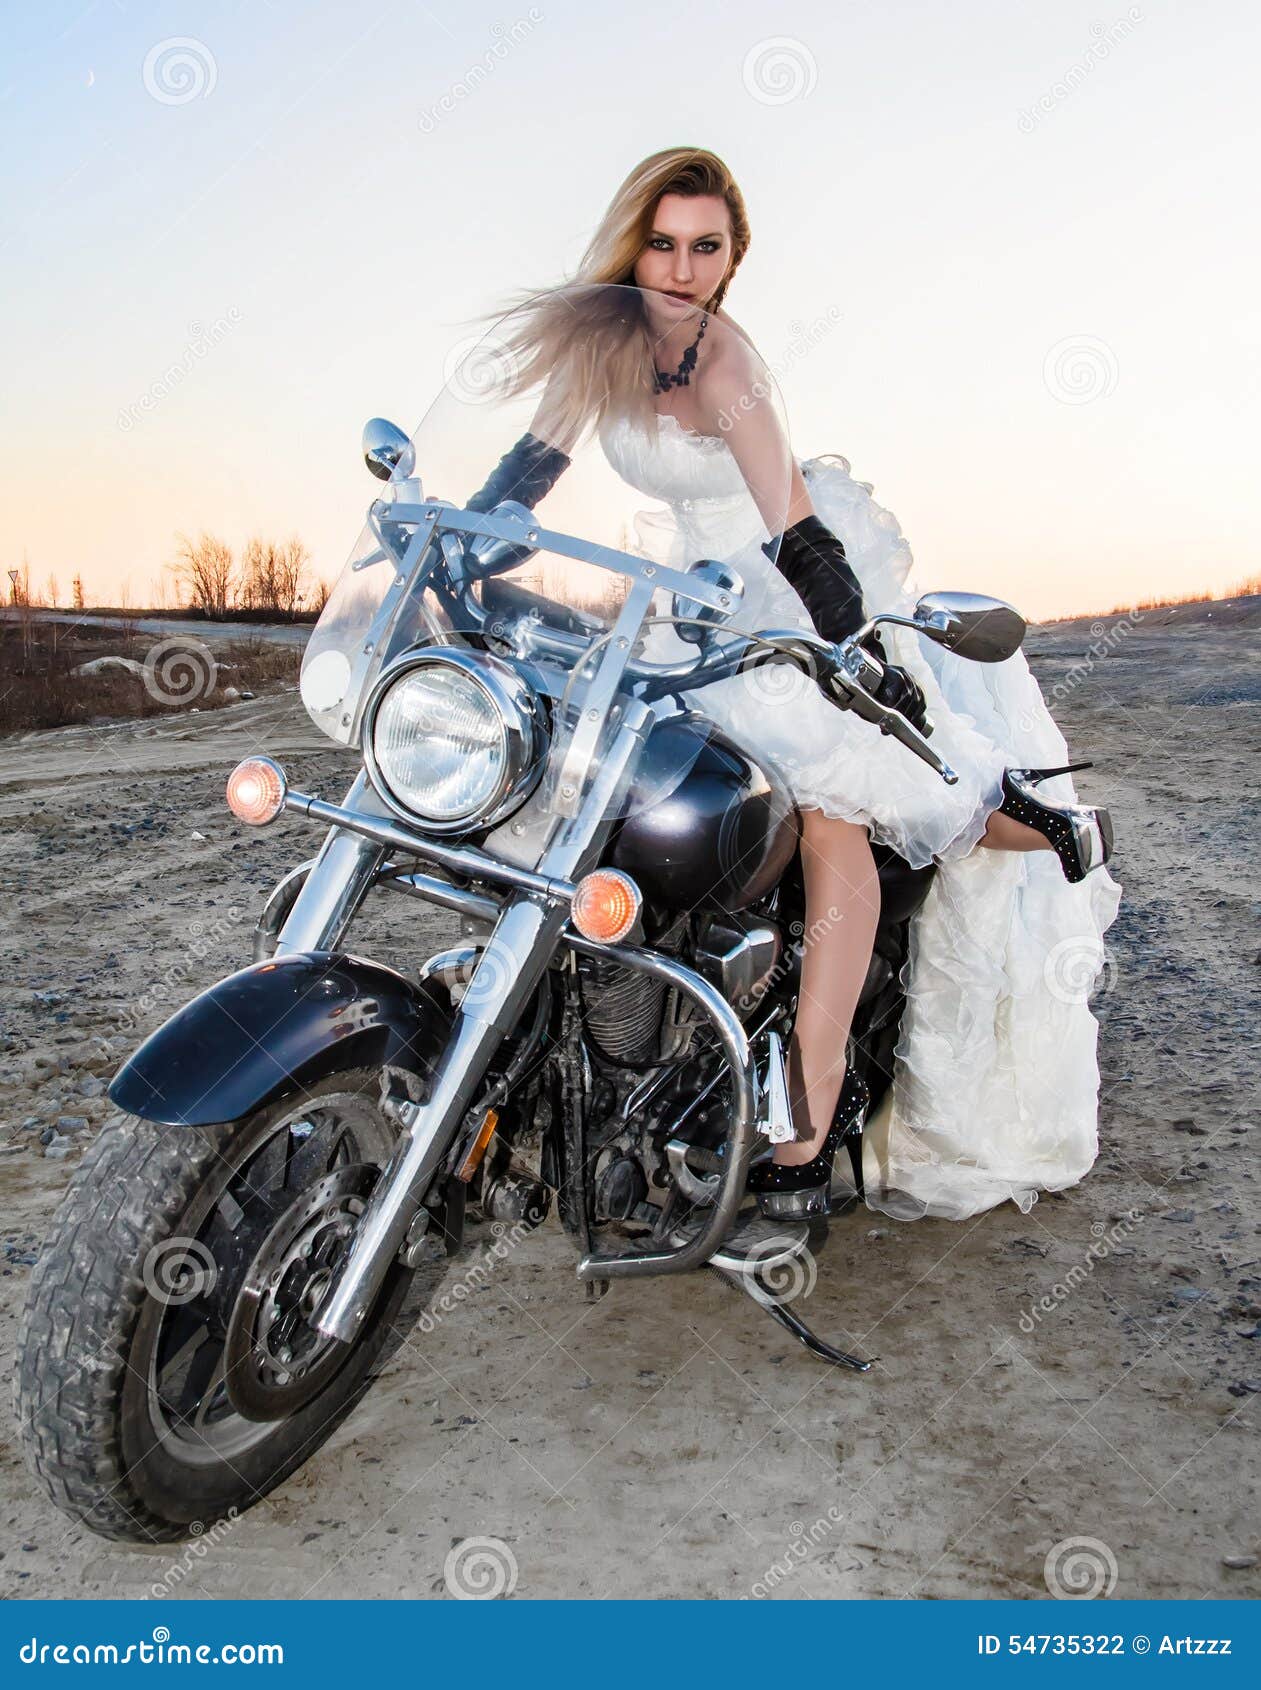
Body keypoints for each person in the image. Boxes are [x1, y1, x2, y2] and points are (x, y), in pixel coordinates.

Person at [464, 146, 1122, 1223]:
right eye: (664, 243)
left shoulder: (727, 364)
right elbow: (525, 475)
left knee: (838, 802)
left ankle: (808, 1121)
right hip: (684, 590)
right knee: (587, 774)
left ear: (732, 261)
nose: (680, 268)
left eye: (705, 248)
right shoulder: (599, 343)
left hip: (784, 582)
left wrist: (848, 645)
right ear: (635, 242)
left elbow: (791, 526)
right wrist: (453, 554)